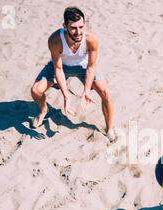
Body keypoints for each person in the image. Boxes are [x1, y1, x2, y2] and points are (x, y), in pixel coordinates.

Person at [31, 7, 115, 142]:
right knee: (36, 91)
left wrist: (86, 91)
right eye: (73, 28)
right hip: (61, 65)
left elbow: (91, 66)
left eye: (81, 27)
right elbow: (58, 69)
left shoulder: (91, 39)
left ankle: (110, 129)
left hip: (83, 67)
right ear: (65, 26)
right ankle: (43, 110)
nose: (78, 32)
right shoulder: (55, 40)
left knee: (105, 92)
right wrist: (66, 97)